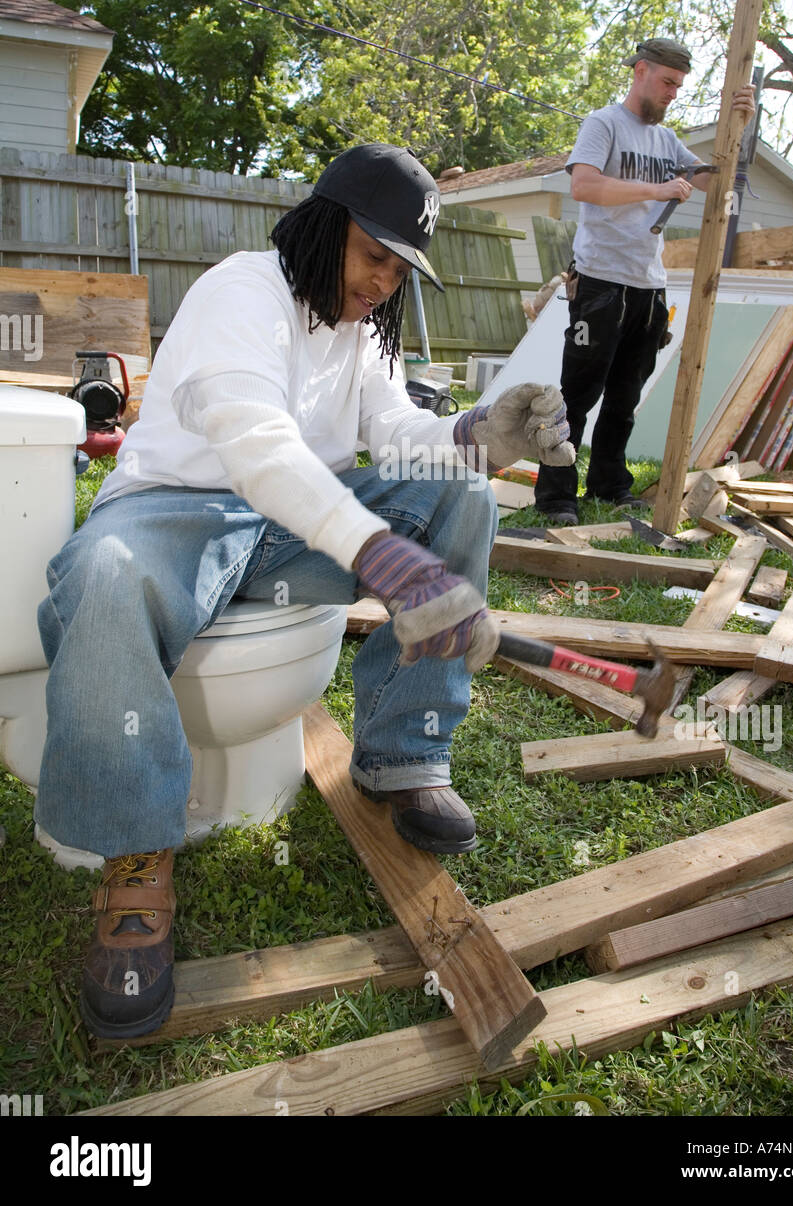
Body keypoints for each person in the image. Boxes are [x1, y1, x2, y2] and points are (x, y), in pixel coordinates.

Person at [34, 142, 574, 1039]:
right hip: (178, 509)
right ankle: (133, 859)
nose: (383, 285)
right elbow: (258, 447)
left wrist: (480, 433)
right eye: (375, 257)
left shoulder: (364, 330)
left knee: (462, 494)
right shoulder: (240, 293)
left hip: (288, 528)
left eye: (400, 271)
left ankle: (402, 755)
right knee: (102, 576)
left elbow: (396, 430)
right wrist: (376, 550)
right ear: (325, 228)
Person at [534, 38, 755, 525]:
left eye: (679, 85)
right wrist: (656, 189)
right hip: (600, 282)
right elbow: (584, 185)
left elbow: (712, 176)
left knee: (625, 398)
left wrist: (737, 122)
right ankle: (555, 497)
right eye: (667, 82)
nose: (673, 93)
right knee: (577, 395)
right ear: (640, 71)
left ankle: (610, 485)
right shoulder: (604, 123)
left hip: (648, 287)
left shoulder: (666, 139)